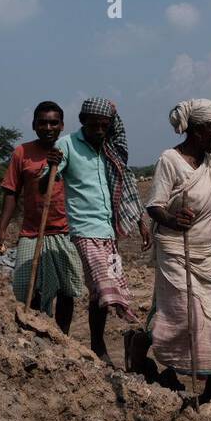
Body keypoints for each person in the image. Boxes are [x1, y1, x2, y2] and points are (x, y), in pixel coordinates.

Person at [131, 98, 211, 405]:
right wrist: (172, 221)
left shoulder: (209, 161)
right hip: (177, 251)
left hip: (209, 253)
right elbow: (154, 206)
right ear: (200, 130)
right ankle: (145, 349)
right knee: (186, 318)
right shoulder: (170, 160)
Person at [56, 97, 150, 365]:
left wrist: (141, 221)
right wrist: (50, 166)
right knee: (105, 287)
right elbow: (49, 175)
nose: (99, 130)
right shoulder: (67, 145)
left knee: (100, 295)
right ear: (83, 121)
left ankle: (99, 343)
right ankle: (83, 343)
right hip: (83, 230)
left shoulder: (110, 150)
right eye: (94, 125)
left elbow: (127, 191)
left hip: (108, 232)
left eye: (104, 126)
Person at [0, 101, 85, 333]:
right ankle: (34, 331)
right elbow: (11, 192)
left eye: (53, 123)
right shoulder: (22, 152)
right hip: (33, 232)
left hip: (66, 230)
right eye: (42, 122)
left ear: (62, 125)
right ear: (34, 125)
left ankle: (61, 336)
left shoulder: (71, 149)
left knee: (67, 289)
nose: (48, 127)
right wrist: (2, 229)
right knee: (28, 285)